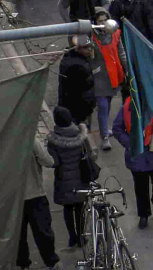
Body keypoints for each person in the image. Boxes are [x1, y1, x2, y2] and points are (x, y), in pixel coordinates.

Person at [112, 86, 153, 229]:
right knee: (141, 189)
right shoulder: (126, 109)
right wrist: (130, 143)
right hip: (138, 157)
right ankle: (144, 214)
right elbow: (117, 128)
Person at [47, 105, 97, 249]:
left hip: (64, 180)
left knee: (68, 209)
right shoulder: (80, 135)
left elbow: (54, 162)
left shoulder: (53, 140)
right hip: (81, 178)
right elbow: (91, 154)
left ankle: (72, 237)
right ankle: (82, 236)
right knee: (80, 208)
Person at [17, 131, 60, 270]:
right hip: (35, 193)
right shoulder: (31, 140)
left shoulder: (2, 143)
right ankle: (51, 263)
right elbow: (48, 162)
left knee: (18, 236)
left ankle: (23, 265)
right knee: (43, 232)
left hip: (12, 200)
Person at [58, 34, 96, 127]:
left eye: (90, 47)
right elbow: (79, 92)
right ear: (77, 49)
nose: (89, 49)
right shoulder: (78, 65)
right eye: (85, 48)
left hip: (76, 107)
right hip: (77, 109)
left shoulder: (71, 57)